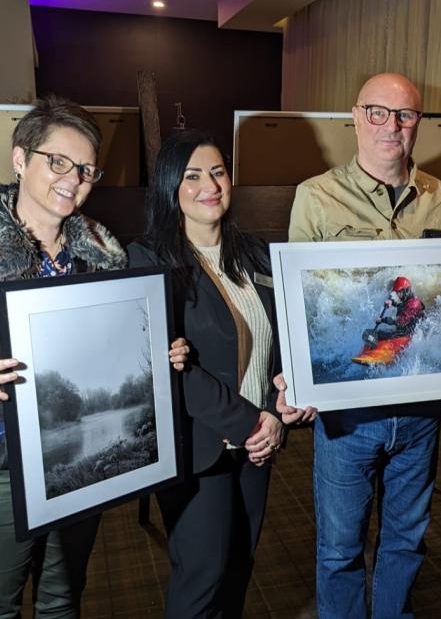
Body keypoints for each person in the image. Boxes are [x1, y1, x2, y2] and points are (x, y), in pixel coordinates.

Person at [0, 95, 190, 618]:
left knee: (63, 597)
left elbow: (108, 348)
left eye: (87, 169)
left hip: (72, 462)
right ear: (20, 159)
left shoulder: (101, 256)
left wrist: (155, 354)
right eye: (58, 161)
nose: (74, 178)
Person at [287, 72, 441, 618]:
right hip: (347, 415)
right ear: (355, 116)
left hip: (421, 410)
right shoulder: (317, 197)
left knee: (405, 540)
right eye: (378, 112)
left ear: (419, 123)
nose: (391, 126)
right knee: (339, 549)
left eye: (405, 115)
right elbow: (299, 308)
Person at [129, 129, 313, 616]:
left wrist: (281, 400)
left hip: (257, 446)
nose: (209, 184)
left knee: (238, 568)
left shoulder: (254, 252)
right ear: (171, 188)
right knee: (201, 579)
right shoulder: (149, 261)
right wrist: (251, 423)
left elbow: (284, 335)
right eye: (192, 176)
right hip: (199, 447)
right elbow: (169, 370)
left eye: (217, 172)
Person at [364, 275, 425, 346]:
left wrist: (383, 320)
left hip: (410, 334)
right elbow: (400, 304)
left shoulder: (414, 304)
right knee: (371, 333)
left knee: (378, 335)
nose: (397, 295)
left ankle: (375, 352)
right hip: (403, 331)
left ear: (406, 291)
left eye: (398, 292)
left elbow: (401, 320)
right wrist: (391, 302)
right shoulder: (407, 299)